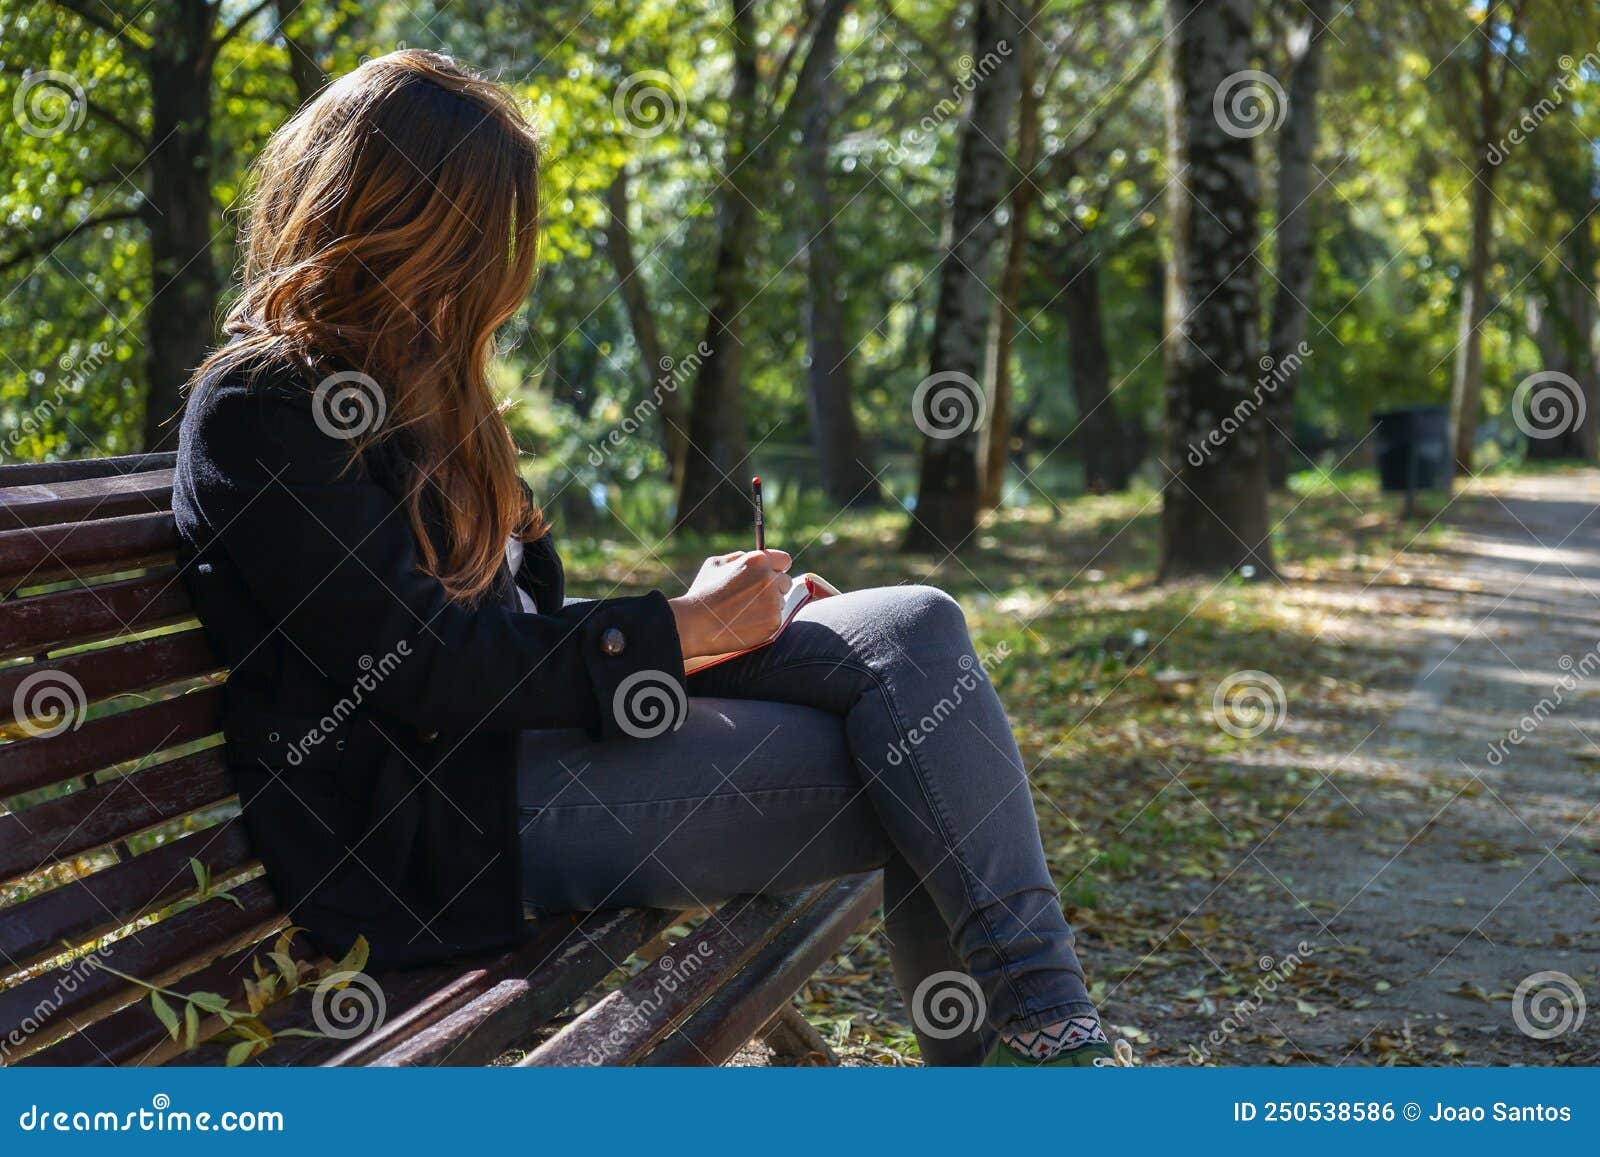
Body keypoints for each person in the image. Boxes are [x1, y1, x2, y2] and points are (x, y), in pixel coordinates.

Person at [174, 49, 1123, 1067]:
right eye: (479, 233)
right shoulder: (263, 409)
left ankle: (1045, 1028)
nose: (501, 267)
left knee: (914, 628)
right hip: (443, 822)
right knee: (920, 762)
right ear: (396, 226)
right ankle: (1044, 1058)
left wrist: (707, 627)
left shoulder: (424, 389)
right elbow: (421, 667)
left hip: (514, 750)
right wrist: (678, 630)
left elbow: (513, 622)